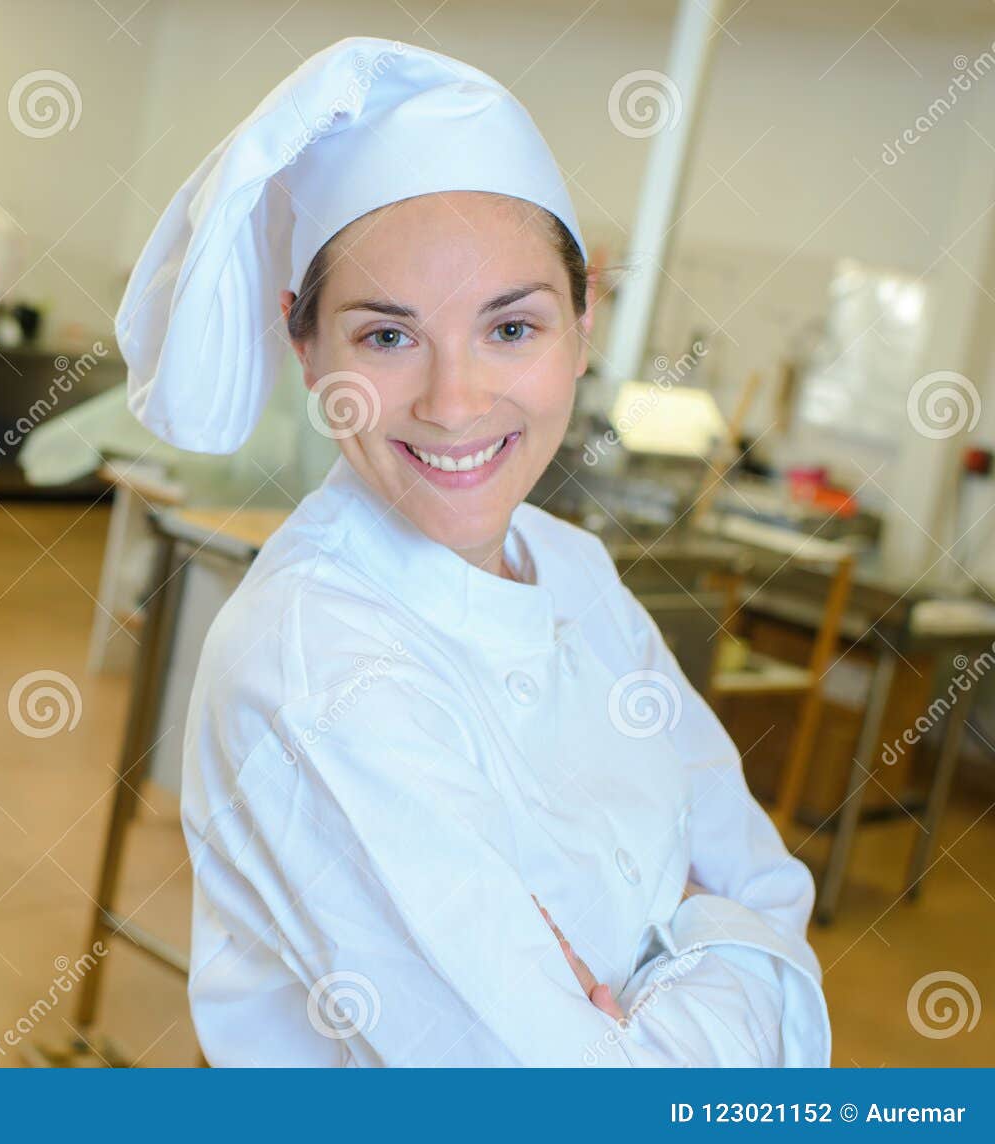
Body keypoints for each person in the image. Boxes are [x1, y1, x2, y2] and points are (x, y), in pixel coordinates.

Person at [116, 38, 830, 1066]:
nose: (453, 404)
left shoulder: (570, 566)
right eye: (387, 337)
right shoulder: (310, 666)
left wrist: (660, 986)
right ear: (305, 346)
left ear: (581, 322)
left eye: (511, 328)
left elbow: (771, 893)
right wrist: (707, 943)